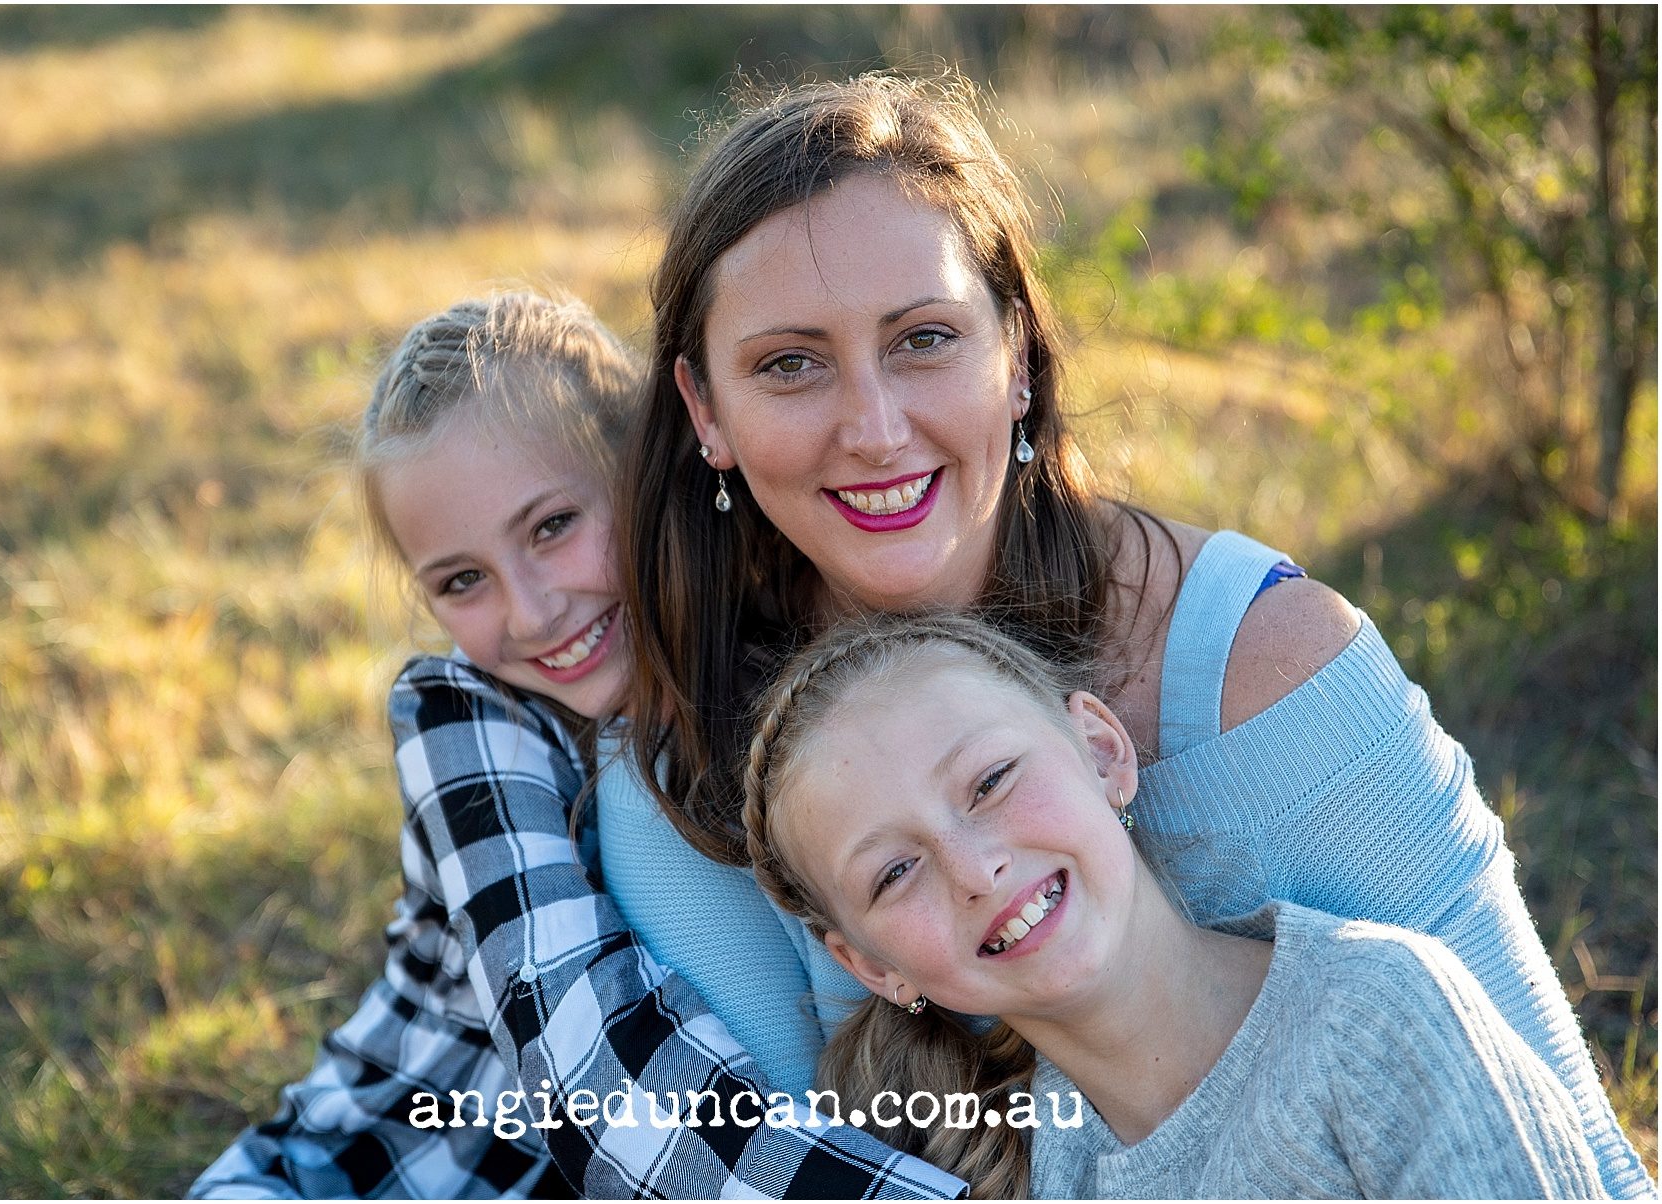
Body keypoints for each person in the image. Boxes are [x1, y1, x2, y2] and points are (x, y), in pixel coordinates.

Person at [606, 72, 1653, 1196]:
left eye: (922, 338)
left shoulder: (1264, 664)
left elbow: (1564, 1154)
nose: (872, 427)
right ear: (705, 409)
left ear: (1016, 353)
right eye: (789, 364)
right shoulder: (694, 761)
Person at [191, 293, 966, 1198]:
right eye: (462, 580)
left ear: (644, 472)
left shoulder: (771, 662)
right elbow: (597, 1082)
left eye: (552, 528)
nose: (531, 611)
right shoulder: (464, 722)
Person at [743, 610, 1612, 1199]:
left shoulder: (1370, 1020)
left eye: (992, 781)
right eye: (895, 872)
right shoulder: (1029, 1170)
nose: (974, 869)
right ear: (872, 967)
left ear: (1101, 751)